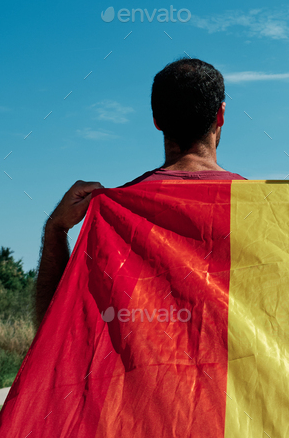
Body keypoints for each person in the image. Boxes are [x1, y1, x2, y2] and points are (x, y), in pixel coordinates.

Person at [35, 58, 245, 324]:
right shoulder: (264, 210)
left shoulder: (117, 217)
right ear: (221, 115)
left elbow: (57, 334)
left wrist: (55, 229)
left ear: (156, 120)